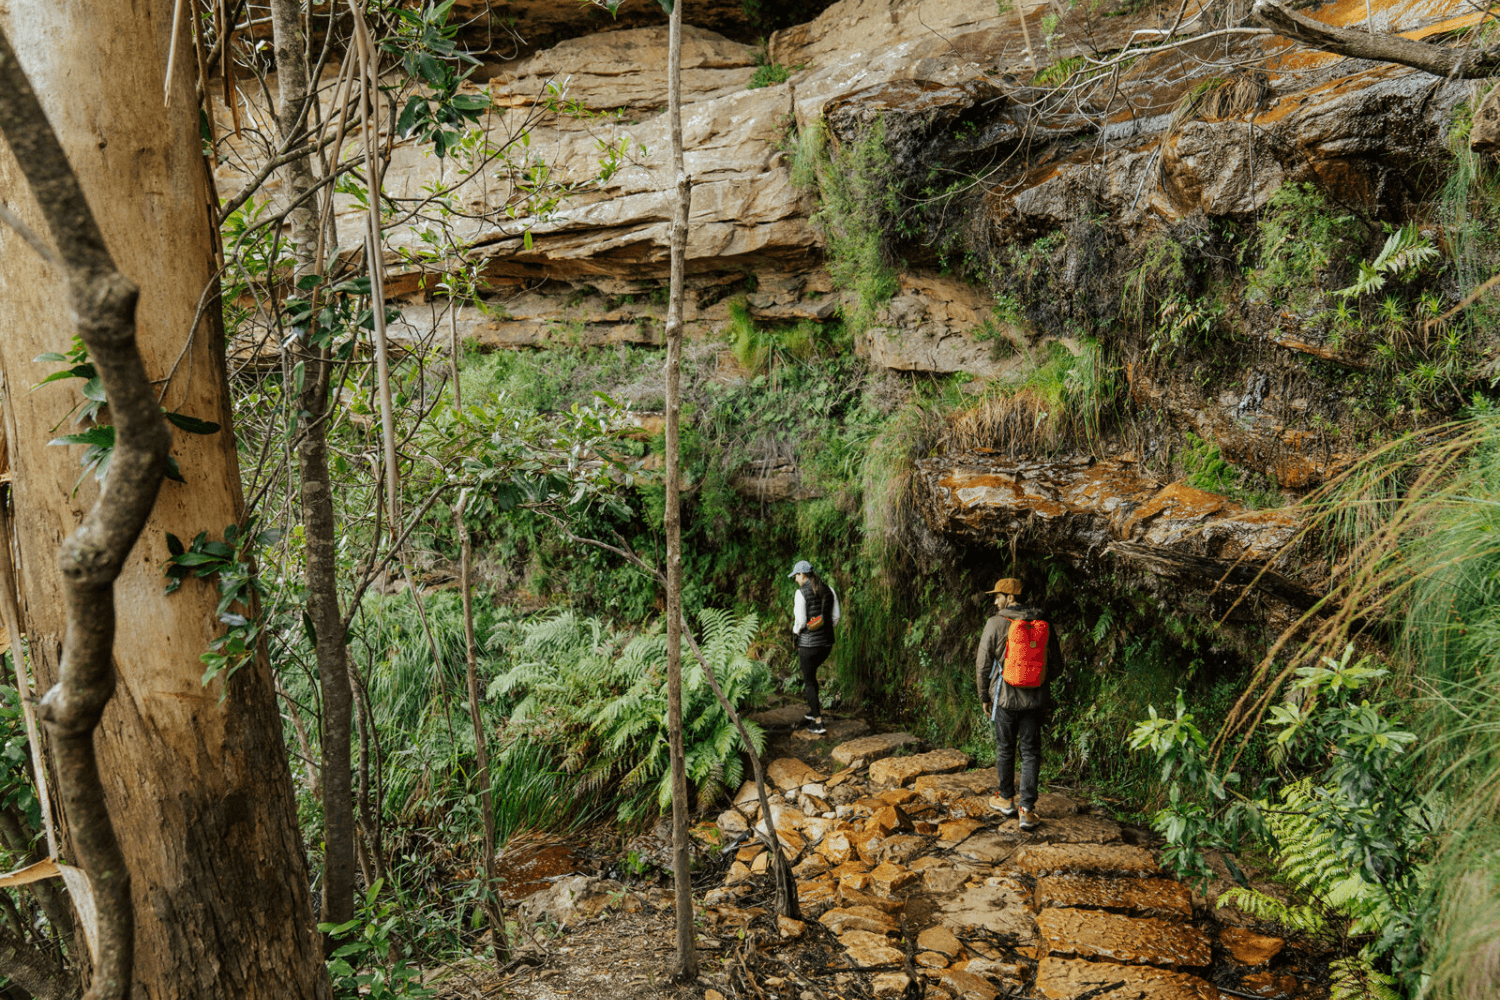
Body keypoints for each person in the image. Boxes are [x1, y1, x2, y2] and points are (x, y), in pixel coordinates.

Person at [975, 577, 1064, 831]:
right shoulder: (1042, 623)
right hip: (1035, 701)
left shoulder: (995, 623)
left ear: (1011, 598)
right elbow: (1056, 665)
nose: (995, 600)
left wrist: (984, 695)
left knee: (1005, 748)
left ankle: (1005, 799)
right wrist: (1035, 681)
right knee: (1031, 752)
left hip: (1004, 699)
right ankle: (1027, 810)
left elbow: (982, 664)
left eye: (998, 596)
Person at [789, 559, 840, 735]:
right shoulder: (829, 590)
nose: (795, 579)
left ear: (803, 575)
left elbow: (801, 622)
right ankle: (813, 710)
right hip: (826, 644)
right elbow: (835, 618)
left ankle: (818, 722)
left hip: (809, 645)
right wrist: (823, 630)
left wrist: (795, 631)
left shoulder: (800, 593)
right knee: (812, 676)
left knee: (809, 681)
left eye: (796, 575)